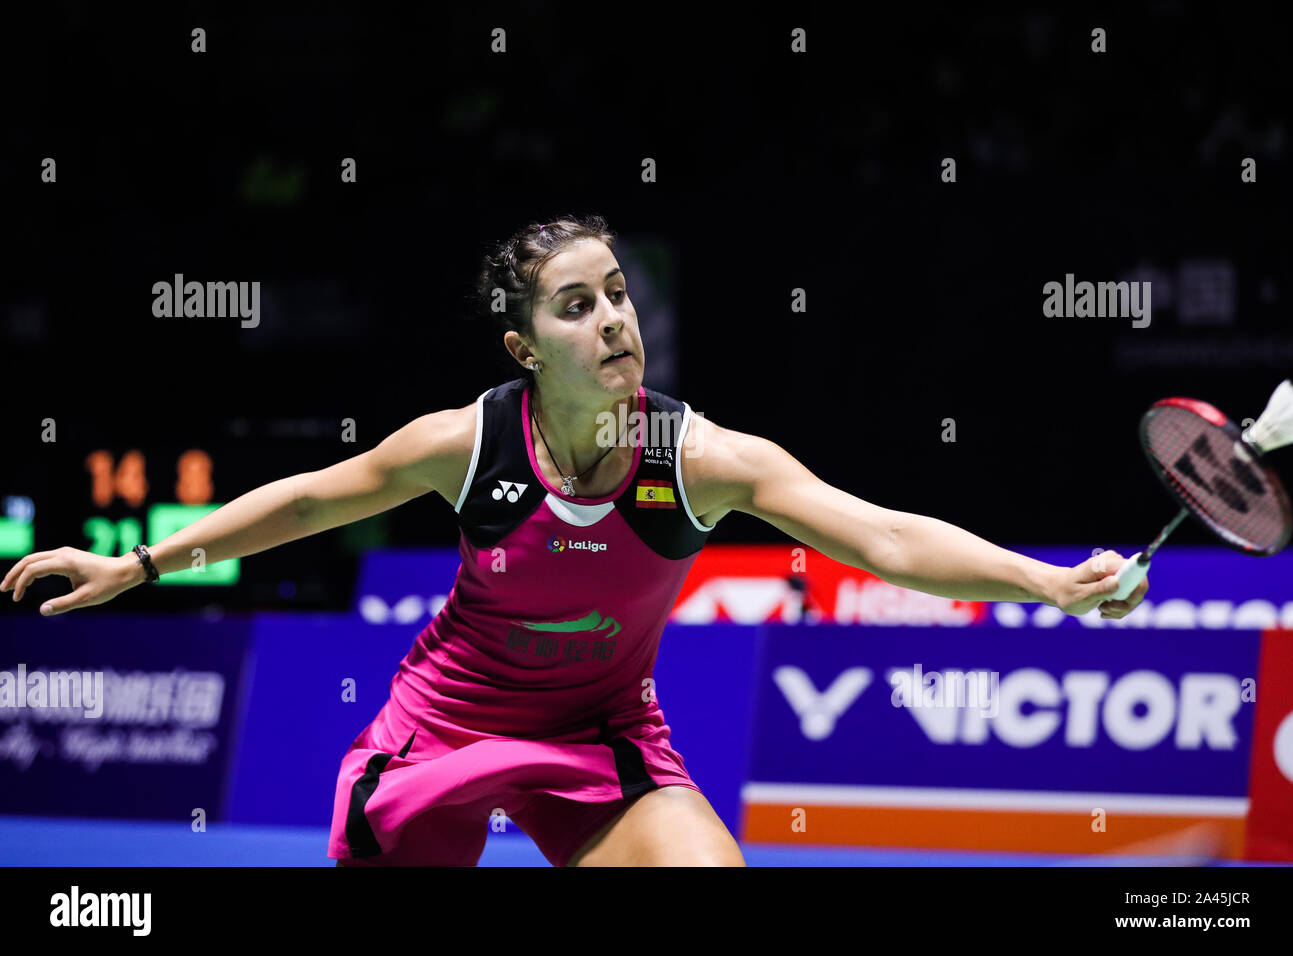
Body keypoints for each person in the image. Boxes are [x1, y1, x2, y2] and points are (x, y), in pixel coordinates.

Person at [0, 214, 1150, 866]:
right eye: (575, 304)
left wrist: (1042, 582)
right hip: (437, 734)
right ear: (522, 345)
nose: (612, 318)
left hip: (603, 735)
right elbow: (308, 499)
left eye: (618, 293)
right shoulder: (468, 443)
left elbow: (882, 534)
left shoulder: (695, 458)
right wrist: (140, 564)